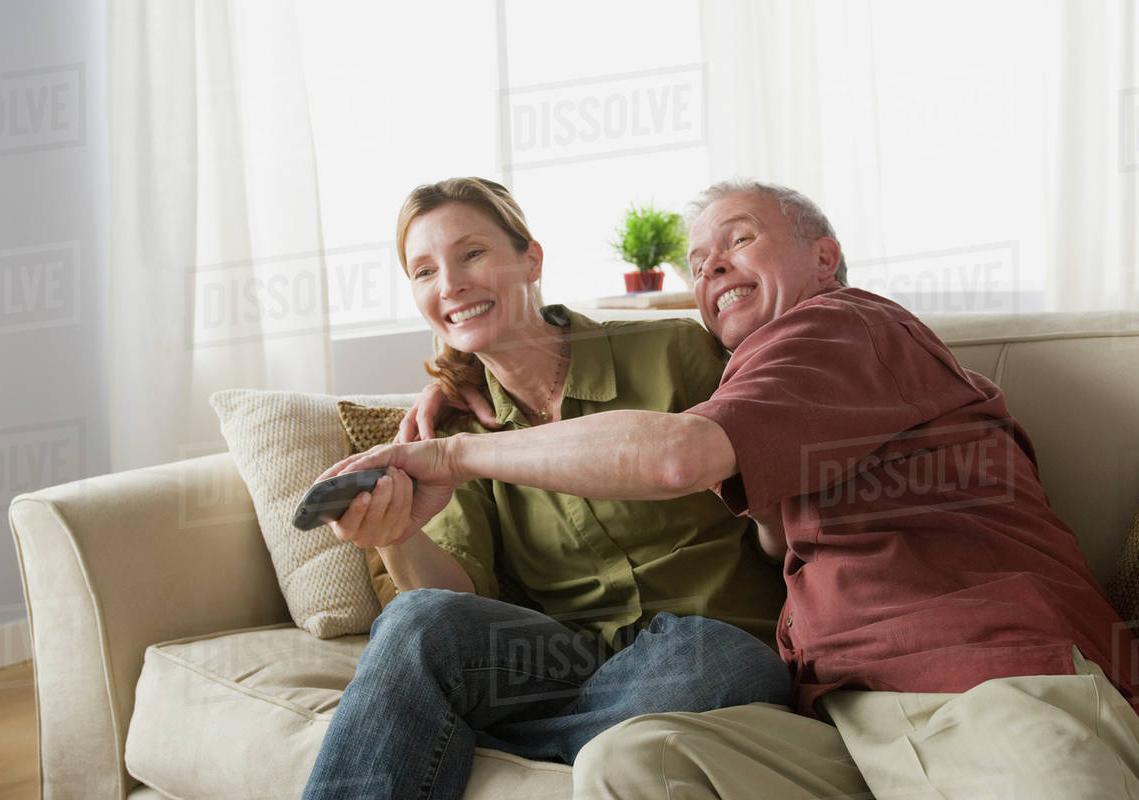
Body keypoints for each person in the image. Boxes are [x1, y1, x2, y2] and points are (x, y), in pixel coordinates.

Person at [325, 179, 1139, 799]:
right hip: (838, 709)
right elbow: (463, 597)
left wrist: (457, 455)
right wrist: (402, 516)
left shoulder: (818, 329)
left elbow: (680, 455)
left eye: (739, 240)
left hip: (967, 676)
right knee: (596, 739)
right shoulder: (463, 415)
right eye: (699, 263)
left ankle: (441, 729)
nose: (713, 269)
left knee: (707, 662)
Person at [301, 178, 791, 800]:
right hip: (570, 663)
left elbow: (776, 470)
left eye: (472, 253)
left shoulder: (673, 350)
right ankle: (554, 735)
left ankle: (493, 739)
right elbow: (453, 598)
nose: (450, 284)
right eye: (425, 271)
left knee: (718, 661)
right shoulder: (451, 433)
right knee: (417, 619)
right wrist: (397, 534)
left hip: (714, 643)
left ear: (531, 259)